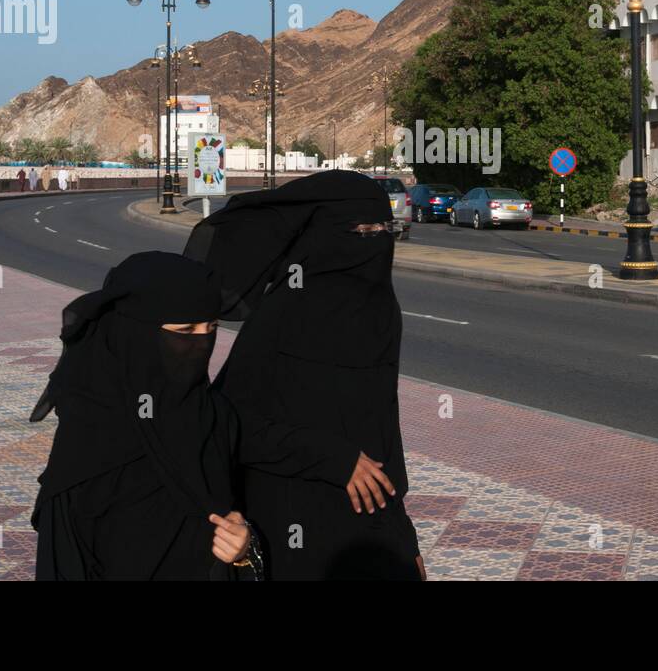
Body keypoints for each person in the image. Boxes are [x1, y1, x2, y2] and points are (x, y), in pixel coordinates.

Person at [184, 170, 424, 581]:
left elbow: (383, 427)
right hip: (290, 517)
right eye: (361, 230)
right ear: (322, 236)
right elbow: (229, 421)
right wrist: (331, 457)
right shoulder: (284, 315)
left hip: (368, 525)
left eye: (384, 228)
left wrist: (405, 539)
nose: (376, 239)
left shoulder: (381, 312)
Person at [29, 251, 262, 580]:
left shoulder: (213, 417)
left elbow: (236, 512)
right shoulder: (87, 442)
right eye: (185, 330)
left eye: (210, 328)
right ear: (135, 334)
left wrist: (242, 546)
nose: (202, 342)